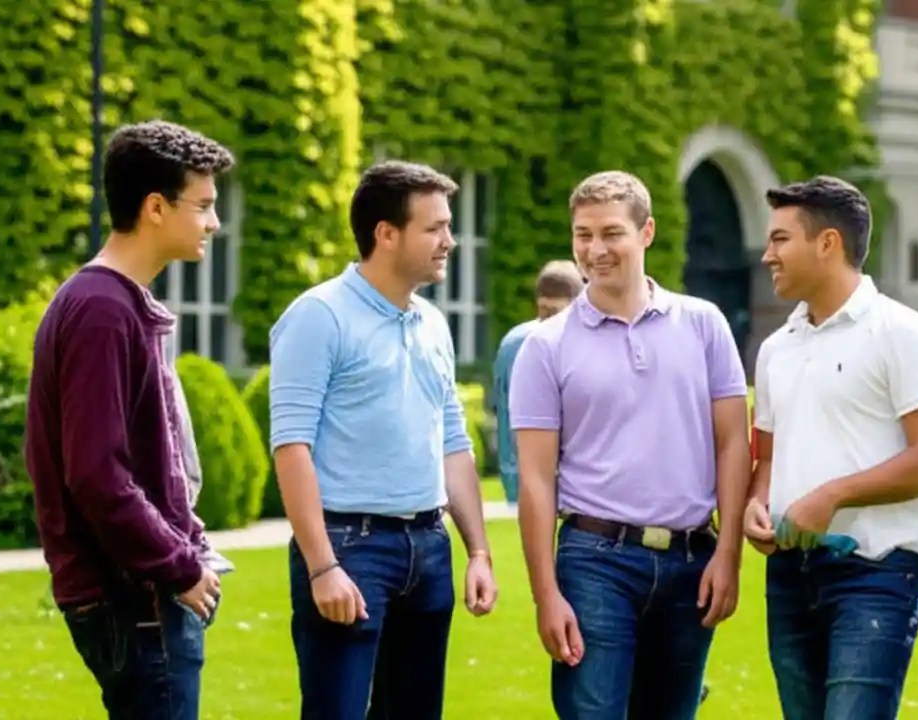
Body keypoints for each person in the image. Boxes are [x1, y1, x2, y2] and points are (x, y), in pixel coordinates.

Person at [509, 170, 750, 719]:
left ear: (646, 233)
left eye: (611, 233)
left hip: (693, 560)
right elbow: (535, 479)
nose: (595, 250)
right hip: (595, 562)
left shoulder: (704, 325)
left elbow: (734, 443)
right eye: (582, 235)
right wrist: (546, 594)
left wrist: (729, 552)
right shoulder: (545, 347)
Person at [269, 160, 498, 720]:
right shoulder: (319, 316)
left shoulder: (432, 323)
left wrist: (478, 551)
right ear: (386, 234)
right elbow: (291, 445)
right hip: (350, 546)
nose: (450, 240)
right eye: (435, 228)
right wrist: (323, 567)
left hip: (428, 546)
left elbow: (451, 440)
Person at [23, 119, 235, 720]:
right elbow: (96, 474)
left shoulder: (110, 303)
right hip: (136, 599)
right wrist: (178, 565)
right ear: (156, 208)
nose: (214, 222)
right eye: (204, 205)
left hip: (140, 595)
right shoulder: (101, 311)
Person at [743, 176, 918, 720]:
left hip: (876, 573)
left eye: (779, 240)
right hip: (790, 574)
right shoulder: (775, 349)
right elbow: (767, 457)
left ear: (828, 243)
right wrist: (755, 503)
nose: (767, 254)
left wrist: (833, 496)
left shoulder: (903, 334)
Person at [492, 260, 584, 508]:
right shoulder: (517, 345)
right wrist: (515, 482)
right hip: (530, 476)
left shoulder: (589, 344)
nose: (549, 322)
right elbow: (505, 416)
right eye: (545, 312)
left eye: (557, 313)